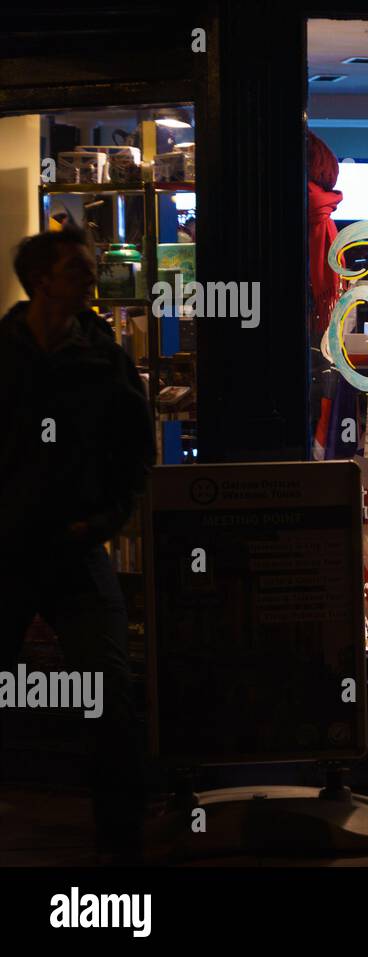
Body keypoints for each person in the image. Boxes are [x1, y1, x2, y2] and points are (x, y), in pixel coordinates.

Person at [0, 227, 155, 862]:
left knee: (110, 692)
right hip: (8, 549)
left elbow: (135, 446)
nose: (91, 279)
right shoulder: (4, 351)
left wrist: (104, 521)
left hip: (74, 546)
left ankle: (120, 847)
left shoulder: (102, 355)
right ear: (42, 280)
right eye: (78, 269)